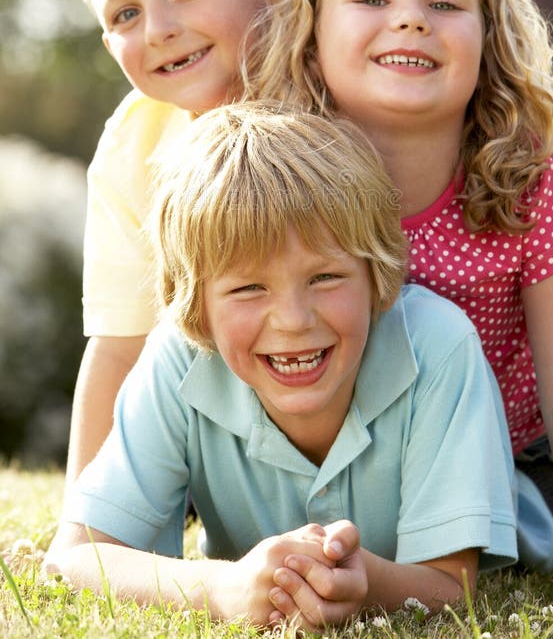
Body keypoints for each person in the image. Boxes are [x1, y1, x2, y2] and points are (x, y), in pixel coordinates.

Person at [244, 0, 553, 609]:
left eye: (445, 3)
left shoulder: (525, 174)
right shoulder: (277, 177)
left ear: (489, 38)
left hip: (519, 459)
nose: (410, 20)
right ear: (310, 38)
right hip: (350, 465)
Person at [45, 103, 517, 629]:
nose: (292, 321)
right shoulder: (178, 361)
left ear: (376, 276)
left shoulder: (437, 347)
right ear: (197, 305)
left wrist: (364, 584)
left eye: (326, 277)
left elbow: (452, 585)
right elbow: (74, 559)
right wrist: (222, 588)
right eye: (248, 288)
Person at [60, 0, 287, 488]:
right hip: (241, 433)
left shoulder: (334, 91)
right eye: (124, 14)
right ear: (109, 43)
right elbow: (118, 344)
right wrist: (83, 517)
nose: (158, 28)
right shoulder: (136, 144)